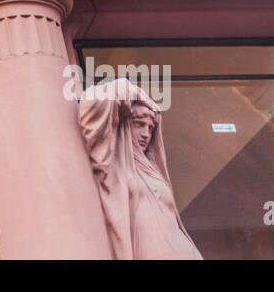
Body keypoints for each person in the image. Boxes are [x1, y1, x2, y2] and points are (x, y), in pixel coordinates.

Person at [78, 77, 202, 260]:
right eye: (139, 124)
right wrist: (133, 92)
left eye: (150, 128)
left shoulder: (153, 170)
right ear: (126, 124)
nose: (146, 134)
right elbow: (92, 105)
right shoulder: (114, 162)